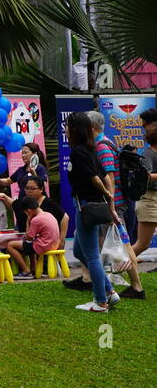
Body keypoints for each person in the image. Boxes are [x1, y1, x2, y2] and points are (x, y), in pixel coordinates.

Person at [65, 111, 120, 311]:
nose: (65, 129)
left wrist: (108, 196)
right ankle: (109, 291)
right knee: (80, 251)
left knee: (91, 255)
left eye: (67, 126)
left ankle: (101, 301)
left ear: (74, 129)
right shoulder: (91, 149)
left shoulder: (79, 152)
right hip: (92, 205)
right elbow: (105, 176)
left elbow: (96, 178)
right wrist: (110, 202)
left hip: (86, 206)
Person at [89, 110, 144, 298]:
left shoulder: (102, 147)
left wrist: (110, 206)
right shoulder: (108, 142)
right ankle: (135, 285)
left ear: (92, 127)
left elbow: (109, 177)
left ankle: (136, 287)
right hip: (116, 202)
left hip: (114, 204)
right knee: (125, 244)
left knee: (124, 245)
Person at [0, 176, 67, 276]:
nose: (28, 191)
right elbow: (14, 204)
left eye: (32, 189)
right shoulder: (44, 213)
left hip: (43, 245)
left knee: (11, 245)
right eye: (26, 188)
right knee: (30, 244)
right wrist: (5, 197)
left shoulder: (42, 211)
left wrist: (61, 239)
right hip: (46, 243)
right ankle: (33, 268)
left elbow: (29, 236)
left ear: (41, 189)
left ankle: (26, 270)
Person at [130, 109, 157, 270]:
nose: (143, 128)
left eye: (145, 125)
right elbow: (144, 177)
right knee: (142, 244)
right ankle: (116, 269)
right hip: (149, 200)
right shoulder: (148, 153)